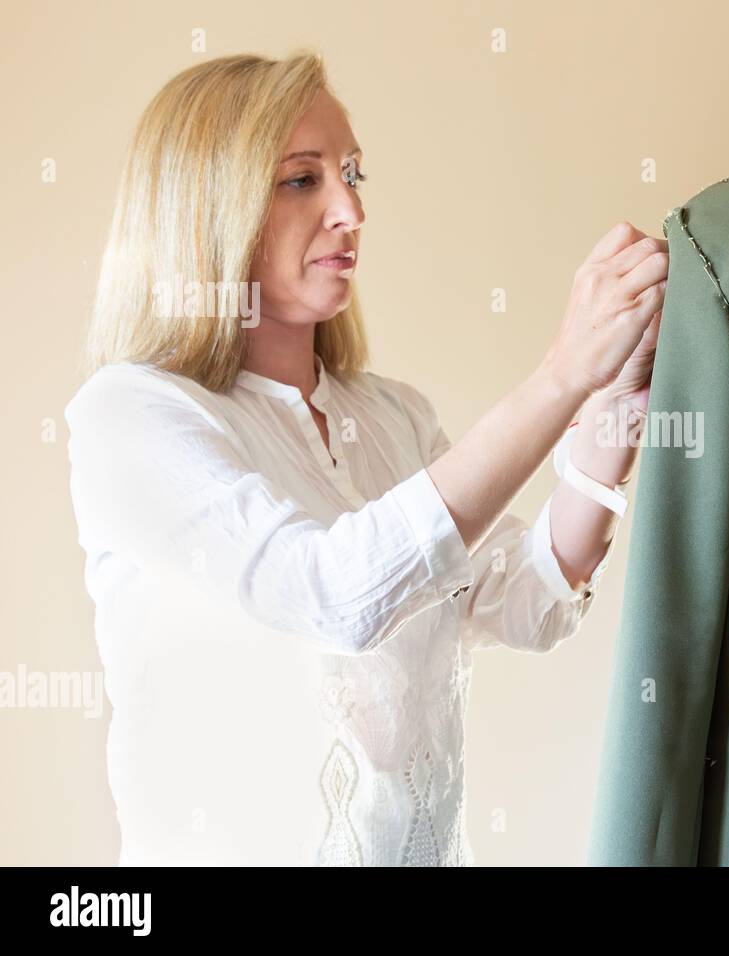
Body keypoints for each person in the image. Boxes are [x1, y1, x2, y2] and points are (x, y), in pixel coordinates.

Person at [64, 51, 665, 865]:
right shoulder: (130, 416)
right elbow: (337, 597)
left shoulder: (393, 416)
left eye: (352, 173)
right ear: (209, 206)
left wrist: (615, 400)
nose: (352, 209)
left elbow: (527, 603)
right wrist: (561, 376)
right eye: (302, 179)